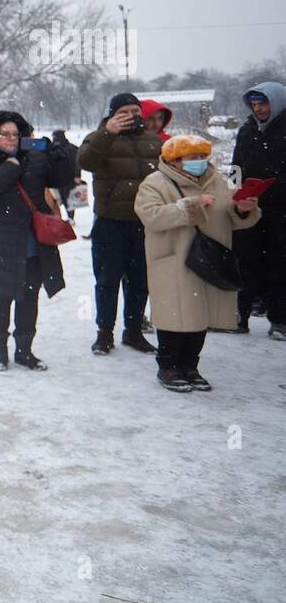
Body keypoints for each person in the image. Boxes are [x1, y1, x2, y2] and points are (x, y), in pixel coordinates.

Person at [135, 135, 262, 390]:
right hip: (173, 259)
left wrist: (244, 209)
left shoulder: (219, 182)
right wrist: (191, 205)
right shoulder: (155, 183)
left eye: (202, 156)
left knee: (200, 315)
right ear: (175, 160)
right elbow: (151, 216)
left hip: (209, 259)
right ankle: (168, 367)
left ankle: (190, 366)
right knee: (176, 314)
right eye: (192, 157)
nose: (199, 162)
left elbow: (234, 216)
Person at [0, 112, 68, 371]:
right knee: (1, 298)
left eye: (15, 134)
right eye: (5, 134)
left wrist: (61, 157)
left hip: (32, 243)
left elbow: (61, 180)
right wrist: (11, 166)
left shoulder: (35, 159)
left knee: (29, 298)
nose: (11, 138)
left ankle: (25, 352)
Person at [77, 93, 163, 355]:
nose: (131, 116)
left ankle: (134, 331)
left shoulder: (152, 141)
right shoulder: (99, 136)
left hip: (144, 223)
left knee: (140, 281)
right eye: (124, 112)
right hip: (110, 222)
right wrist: (108, 133)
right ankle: (104, 333)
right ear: (113, 114)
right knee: (107, 280)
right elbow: (85, 162)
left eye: (135, 111)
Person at [230, 81, 286, 339]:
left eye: (263, 103)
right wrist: (233, 192)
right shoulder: (247, 130)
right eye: (254, 104)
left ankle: (279, 319)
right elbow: (236, 166)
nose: (258, 109)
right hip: (249, 206)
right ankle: (239, 316)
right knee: (244, 262)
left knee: (279, 264)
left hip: (280, 209)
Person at [50, 130, 85, 223]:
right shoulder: (56, 147)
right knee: (64, 198)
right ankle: (67, 217)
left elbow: (77, 163)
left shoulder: (70, 148)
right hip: (62, 178)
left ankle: (68, 217)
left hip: (65, 177)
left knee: (66, 198)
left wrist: (77, 175)